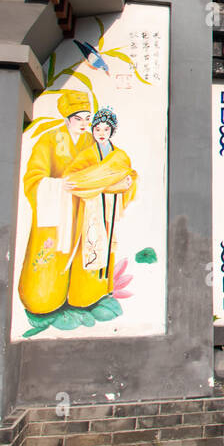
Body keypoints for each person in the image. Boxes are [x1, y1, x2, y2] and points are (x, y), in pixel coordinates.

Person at [18, 90, 94, 315]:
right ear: (67, 119)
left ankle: (81, 297)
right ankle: (43, 300)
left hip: (83, 208)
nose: (83, 124)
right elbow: (34, 177)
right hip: (56, 208)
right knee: (49, 256)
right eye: (78, 119)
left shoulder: (93, 141)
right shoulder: (49, 140)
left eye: (87, 119)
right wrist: (59, 186)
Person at [61, 107, 137, 308]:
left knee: (109, 243)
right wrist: (106, 186)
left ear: (112, 131)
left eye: (106, 130)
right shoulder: (87, 155)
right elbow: (72, 179)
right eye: (98, 130)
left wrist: (114, 187)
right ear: (92, 131)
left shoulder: (120, 156)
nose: (101, 134)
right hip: (90, 210)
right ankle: (84, 294)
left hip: (111, 207)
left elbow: (129, 180)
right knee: (91, 244)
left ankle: (105, 288)